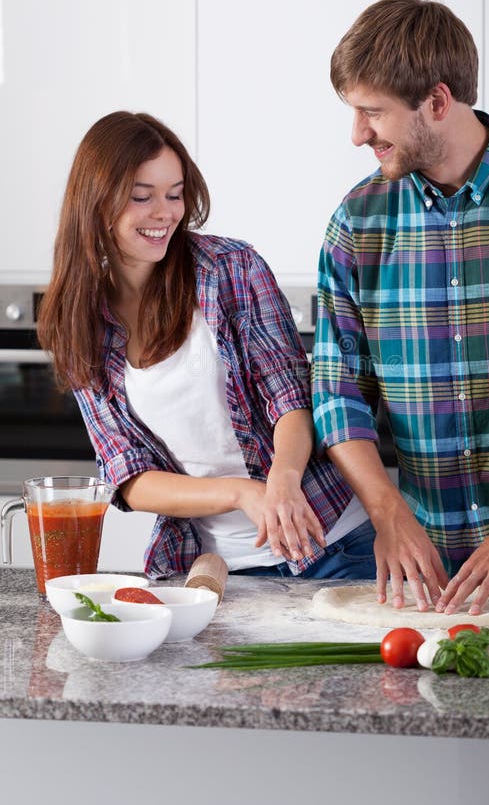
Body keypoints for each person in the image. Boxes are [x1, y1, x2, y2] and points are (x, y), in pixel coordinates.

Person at [312, 0, 489, 616]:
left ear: (437, 102)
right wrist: (387, 512)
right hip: (428, 567)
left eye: (372, 112)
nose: (358, 134)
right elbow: (337, 394)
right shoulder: (356, 221)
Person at [37, 111, 375, 581]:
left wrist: (282, 477)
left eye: (174, 194)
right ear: (95, 202)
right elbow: (128, 476)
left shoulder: (229, 269)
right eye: (142, 196)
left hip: (335, 542)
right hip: (217, 569)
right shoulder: (78, 320)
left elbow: (291, 397)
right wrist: (241, 493)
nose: (165, 213)